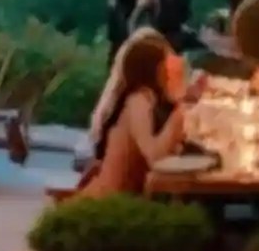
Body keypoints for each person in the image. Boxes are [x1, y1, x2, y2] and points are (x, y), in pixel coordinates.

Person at [77, 36, 191, 198]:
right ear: (155, 70)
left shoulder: (149, 99)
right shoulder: (138, 101)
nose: (169, 72)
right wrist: (178, 114)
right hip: (111, 203)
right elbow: (154, 158)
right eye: (166, 65)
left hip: (123, 198)